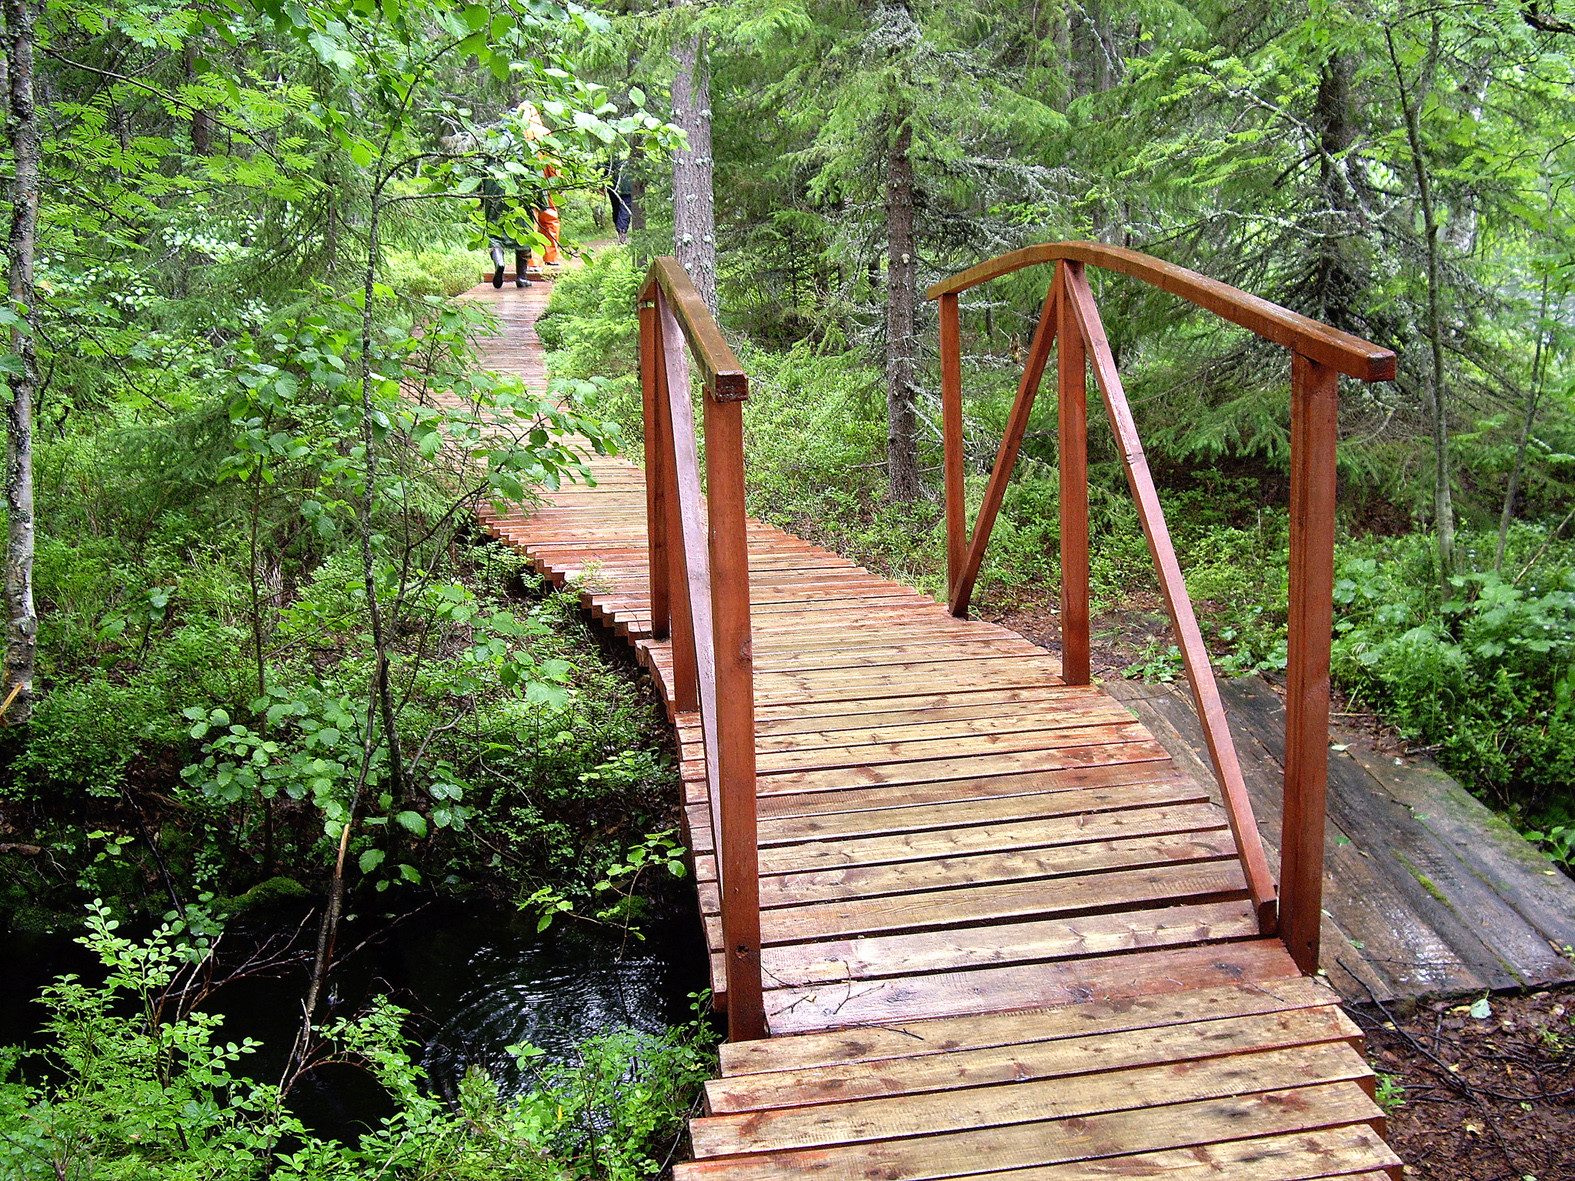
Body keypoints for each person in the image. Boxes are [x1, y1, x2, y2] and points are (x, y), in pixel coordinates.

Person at [605, 156, 633, 245]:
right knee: (623, 209)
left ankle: (621, 231)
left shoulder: (612, 152)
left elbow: (602, 165)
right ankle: (622, 231)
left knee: (618, 209)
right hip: (625, 186)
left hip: (614, 185)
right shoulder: (634, 149)